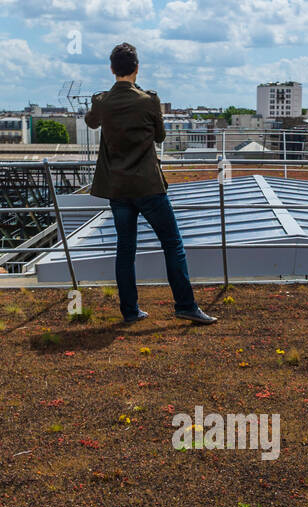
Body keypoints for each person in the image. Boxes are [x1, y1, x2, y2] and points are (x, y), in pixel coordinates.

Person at [84, 42, 216, 325]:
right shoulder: (148, 101)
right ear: (136, 68)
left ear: (112, 69)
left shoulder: (102, 102)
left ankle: (130, 311)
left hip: (118, 189)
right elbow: (160, 137)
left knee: (125, 249)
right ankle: (185, 305)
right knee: (172, 244)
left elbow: (91, 122)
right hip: (148, 187)